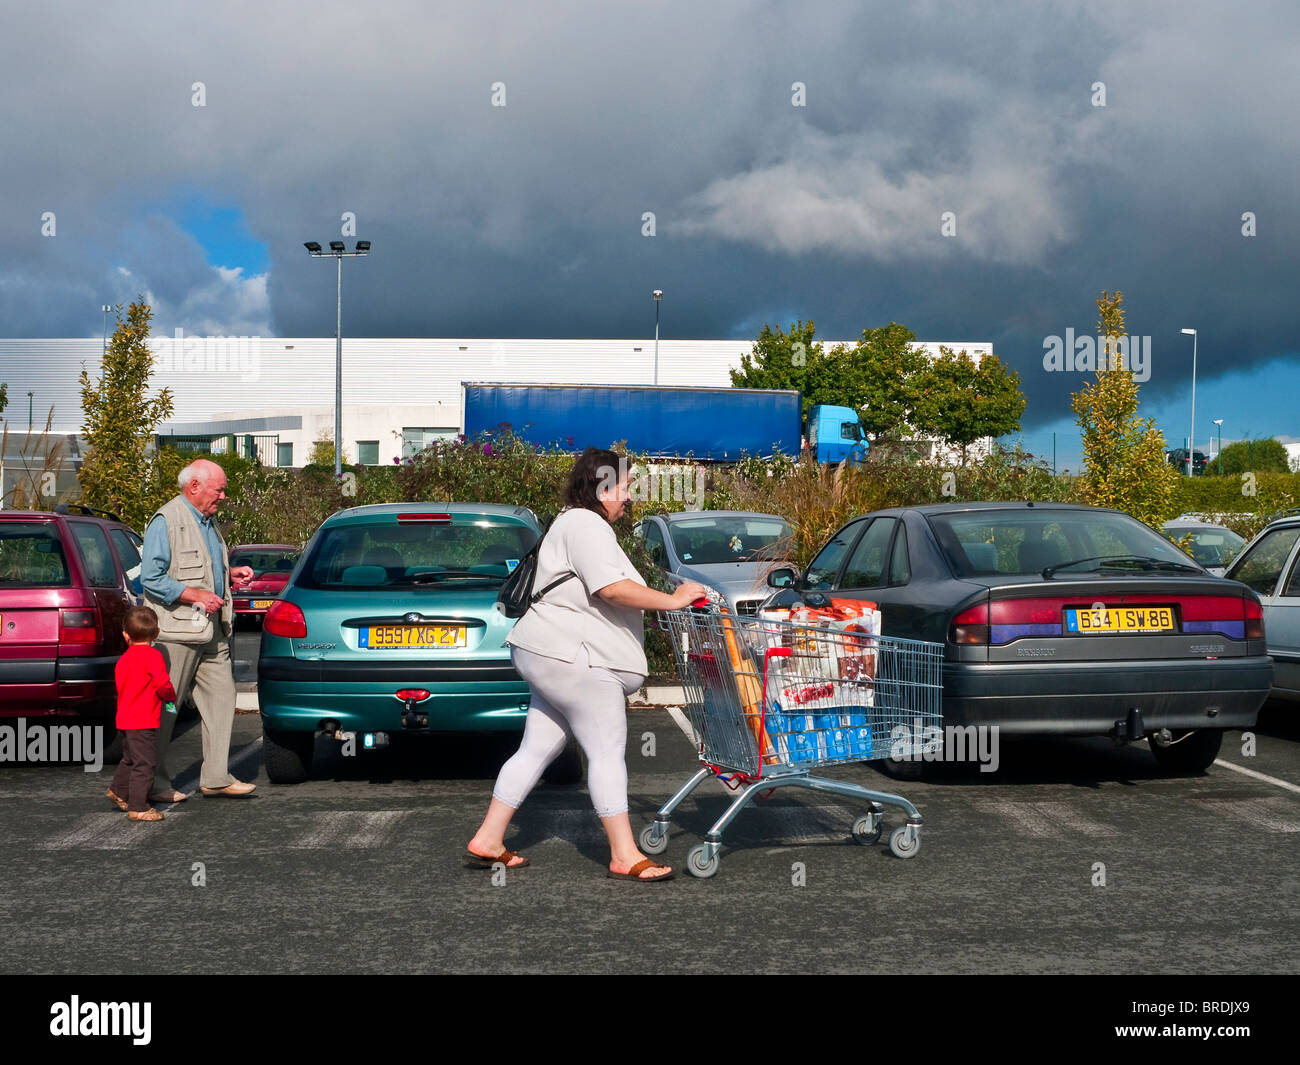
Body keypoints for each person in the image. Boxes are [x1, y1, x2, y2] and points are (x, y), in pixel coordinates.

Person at [467, 448, 708, 881]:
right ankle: (624, 854)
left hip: (551, 652)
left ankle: (489, 837)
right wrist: (673, 601)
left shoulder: (570, 521)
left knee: (537, 749)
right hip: (576, 657)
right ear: (602, 486)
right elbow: (611, 588)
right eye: (625, 486)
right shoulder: (586, 524)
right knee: (606, 750)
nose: (629, 496)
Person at [140, 459, 256, 799]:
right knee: (167, 707)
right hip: (177, 633)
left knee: (222, 698)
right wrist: (196, 596)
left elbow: (200, 565)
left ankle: (216, 777)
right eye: (218, 489)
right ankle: (153, 783)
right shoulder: (166, 520)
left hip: (213, 631)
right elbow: (151, 578)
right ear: (194, 487)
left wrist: (229, 574)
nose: (222, 495)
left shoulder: (207, 520)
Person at [106, 606, 179, 821]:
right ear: (156, 633)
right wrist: (170, 698)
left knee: (129, 758)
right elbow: (162, 684)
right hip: (143, 719)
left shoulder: (123, 660)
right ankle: (138, 806)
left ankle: (118, 790)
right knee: (145, 763)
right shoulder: (153, 656)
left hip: (125, 718)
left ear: (125, 634)